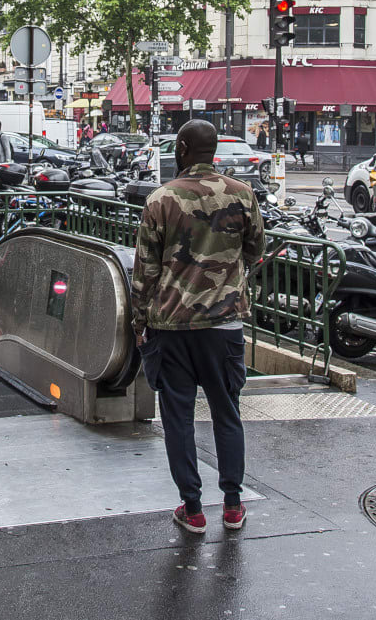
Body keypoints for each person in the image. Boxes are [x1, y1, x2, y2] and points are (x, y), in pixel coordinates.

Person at [131, 119, 263, 536]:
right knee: (227, 413)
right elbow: (255, 249)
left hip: (172, 328)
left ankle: (193, 508)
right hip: (224, 326)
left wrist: (139, 322)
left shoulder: (161, 199)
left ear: (183, 149)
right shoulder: (242, 194)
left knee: (178, 419)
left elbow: (145, 271)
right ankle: (233, 504)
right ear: (214, 150)